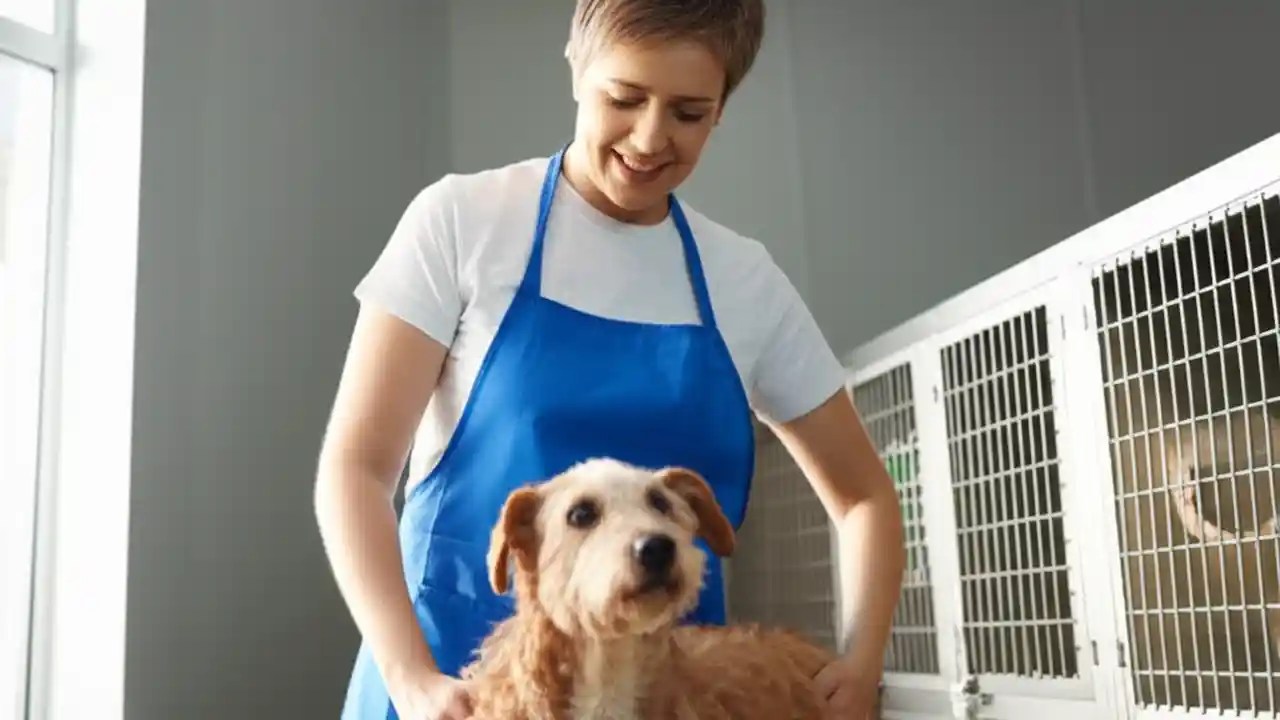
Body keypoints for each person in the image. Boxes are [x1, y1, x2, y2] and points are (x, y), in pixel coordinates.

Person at [314, 1, 905, 718]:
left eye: (689, 112)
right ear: (576, 68)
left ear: (722, 109)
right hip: (449, 696)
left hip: (658, 699)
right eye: (625, 99)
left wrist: (861, 660)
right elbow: (356, 470)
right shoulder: (464, 224)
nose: (651, 138)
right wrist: (410, 676)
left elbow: (865, 496)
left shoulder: (743, 283)